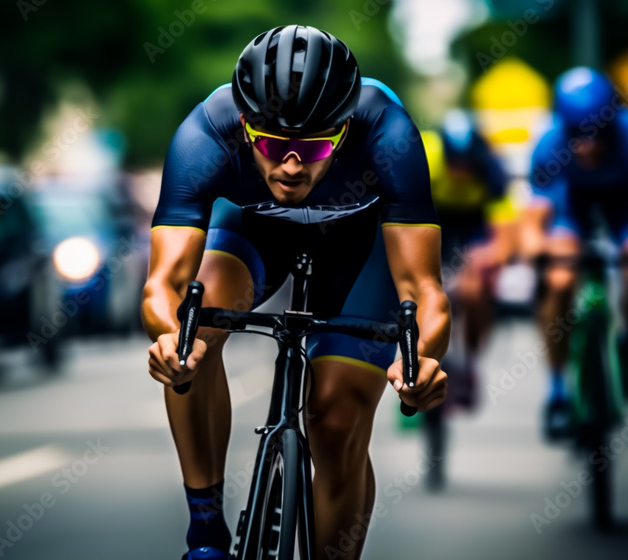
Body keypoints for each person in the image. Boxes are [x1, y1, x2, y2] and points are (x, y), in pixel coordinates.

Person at [142, 26, 450, 560]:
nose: (290, 165)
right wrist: (169, 339)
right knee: (194, 329)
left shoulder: (388, 132)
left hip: (359, 250)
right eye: (270, 144)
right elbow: (163, 284)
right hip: (255, 233)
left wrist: (420, 359)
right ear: (245, 126)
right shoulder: (206, 134)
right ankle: (206, 532)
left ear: (344, 130)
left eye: (313, 147)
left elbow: (423, 288)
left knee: (335, 418)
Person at [521, 67, 628, 440]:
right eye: (577, 136)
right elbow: (533, 224)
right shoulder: (549, 147)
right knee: (559, 281)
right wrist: (537, 251)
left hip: (624, 204)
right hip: (572, 206)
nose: (587, 146)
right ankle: (557, 389)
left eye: (596, 135)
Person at [419, 109, 513, 488]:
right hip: (434, 223)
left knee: (476, 289)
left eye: (466, 164)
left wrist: (490, 258)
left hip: (474, 231)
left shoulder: (491, 170)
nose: (459, 171)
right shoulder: (425, 158)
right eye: (454, 163)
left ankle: (470, 359)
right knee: (417, 292)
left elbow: (505, 233)